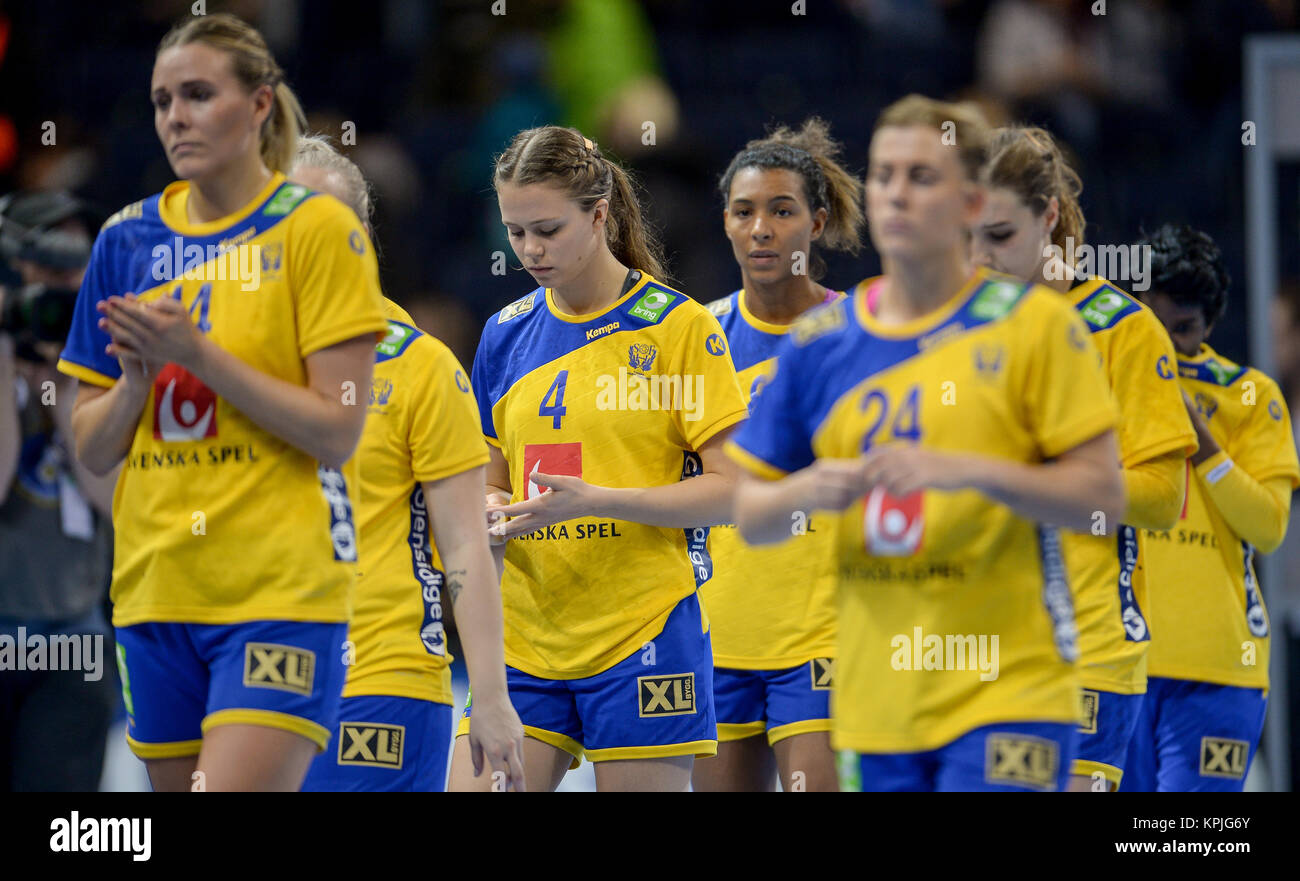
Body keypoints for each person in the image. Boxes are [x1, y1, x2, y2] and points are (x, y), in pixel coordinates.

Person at [728, 95, 1126, 792]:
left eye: (921, 176)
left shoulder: (1035, 327)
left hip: (1011, 685)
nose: (895, 194)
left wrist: (969, 470)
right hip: (878, 699)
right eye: (884, 176)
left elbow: (1102, 499)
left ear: (971, 202)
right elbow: (750, 514)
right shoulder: (824, 343)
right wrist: (809, 490)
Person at [56, 13, 387, 792]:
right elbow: (93, 447)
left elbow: (338, 429)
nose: (176, 116)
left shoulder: (317, 232)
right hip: (155, 586)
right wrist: (137, 380)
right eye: (163, 100)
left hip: (278, 589)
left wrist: (201, 355)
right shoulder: (124, 241)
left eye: (199, 95)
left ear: (261, 105)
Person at [448, 125, 748, 792]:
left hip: (643, 633)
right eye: (515, 230)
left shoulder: (679, 329)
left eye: (547, 229)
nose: (528, 249)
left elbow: (734, 490)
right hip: (525, 638)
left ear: (600, 214)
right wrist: (494, 507)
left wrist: (602, 499)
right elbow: (490, 482)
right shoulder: (503, 334)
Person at [287, 135, 524, 792]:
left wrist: (490, 694)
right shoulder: (240, 361)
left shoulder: (421, 366)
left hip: (383, 678)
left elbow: (466, 544)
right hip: (258, 676)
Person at [972, 125, 1197, 791]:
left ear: (1047, 216)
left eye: (1001, 233)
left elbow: (1162, 495)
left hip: (1087, 650)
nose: (983, 255)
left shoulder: (1119, 328)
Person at [692, 118, 863, 792]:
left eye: (781, 210)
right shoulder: (696, 336)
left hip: (824, 632)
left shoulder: (860, 335)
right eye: (744, 211)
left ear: (817, 223)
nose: (761, 228)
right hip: (716, 632)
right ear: (727, 223)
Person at [1125, 223, 1299, 791]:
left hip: (1218, 669)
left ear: (1211, 323)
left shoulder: (1250, 396)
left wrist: (1202, 441)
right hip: (1119, 660)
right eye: (1156, 327)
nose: (1170, 346)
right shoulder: (1109, 382)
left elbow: (1269, 527)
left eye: (1186, 330)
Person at [0, 190, 119, 791]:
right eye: (48, 264)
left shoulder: (106, 371)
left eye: (78, 266)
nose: (62, 284)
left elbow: (115, 499)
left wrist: (73, 376)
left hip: (74, 637)